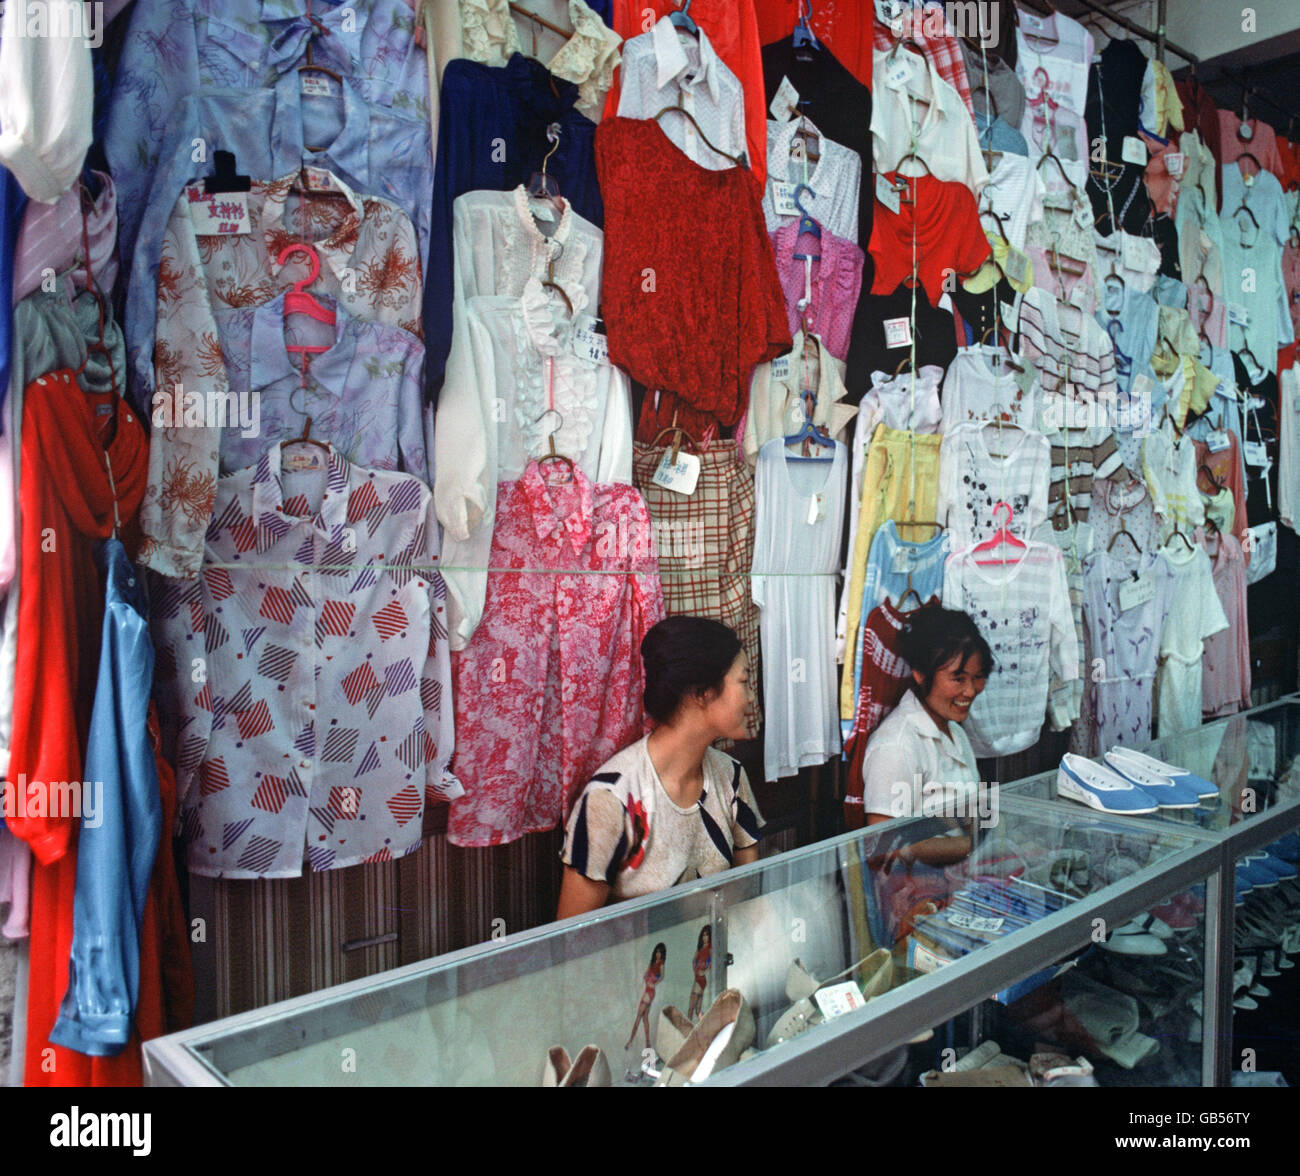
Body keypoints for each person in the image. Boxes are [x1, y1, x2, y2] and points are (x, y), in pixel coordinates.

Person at [556, 617, 764, 921]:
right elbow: (571, 939)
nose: (750, 698)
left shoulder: (731, 777)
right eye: (744, 682)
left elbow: (749, 906)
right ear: (703, 692)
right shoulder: (611, 799)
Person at [861, 608, 993, 868]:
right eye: (958, 678)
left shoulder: (955, 731)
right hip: (914, 895)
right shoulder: (896, 746)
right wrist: (976, 846)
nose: (970, 691)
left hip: (962, 879)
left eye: (978, 677)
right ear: (921, 674)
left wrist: (1001, 835)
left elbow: (978, 810)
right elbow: (882, 847)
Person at [625, 943, 666, 1050]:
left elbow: (662, 976)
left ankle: (630, 1041)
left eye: (660, 952)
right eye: (657, 952)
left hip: (649, 992)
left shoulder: (660, 964)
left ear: (662, 954)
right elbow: (645, 974)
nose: (658, 954)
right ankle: (648, 1042)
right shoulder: (652, 963)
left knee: (639, 1016)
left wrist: (654, 983)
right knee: (645, 1018)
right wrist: (647, 978)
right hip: (647, 991)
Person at [687, 925, 711, 1020]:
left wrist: (704, 971)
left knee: (691, 1009)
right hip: (697, 978)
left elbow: (711, 963)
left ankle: (688, 1032)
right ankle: (706, 1025)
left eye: (707, 935)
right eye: (703, 935)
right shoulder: (700, 948)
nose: (705, 937)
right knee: (697, 1010)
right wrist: (695, 971)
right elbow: (693, 960)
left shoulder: (710, 948)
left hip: (700, 979)